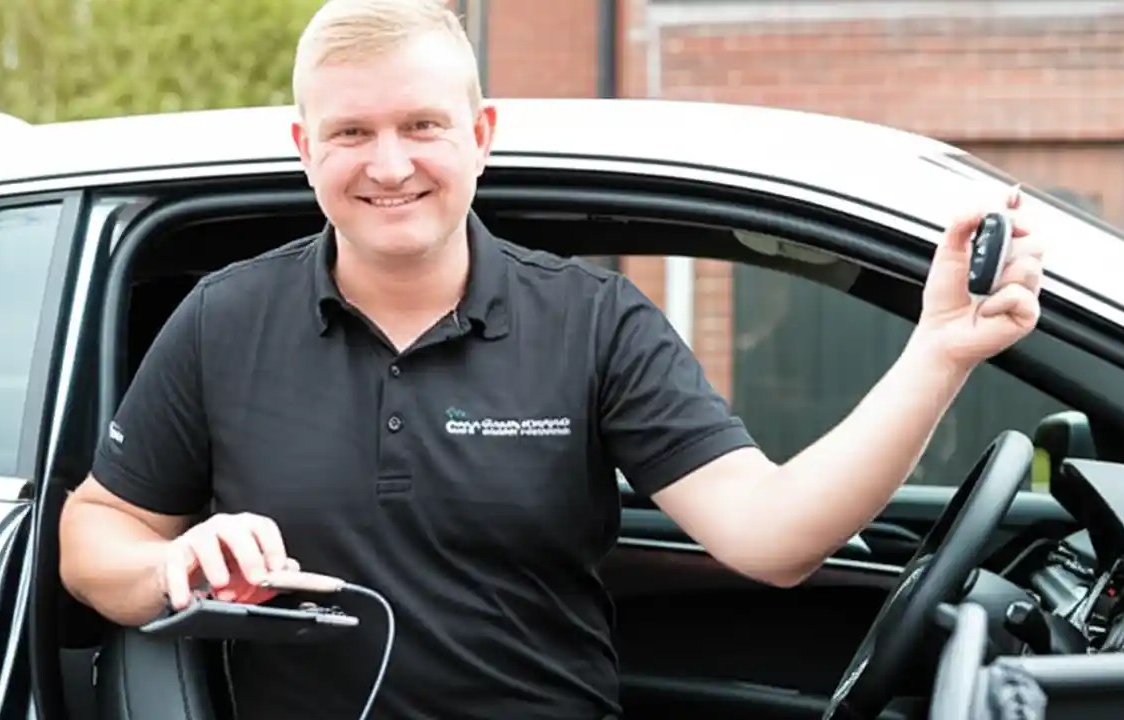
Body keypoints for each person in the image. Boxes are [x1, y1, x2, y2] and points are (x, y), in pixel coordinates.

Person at [57, 0, 1045, 718]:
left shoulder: (593, 320)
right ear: (304, 146)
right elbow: (94, 534)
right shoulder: (222, 318)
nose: (389, 164)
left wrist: (938, 351)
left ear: (480, 137)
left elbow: (772, 538)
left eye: (422, 126)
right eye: (350, 131)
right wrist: (170, 565)